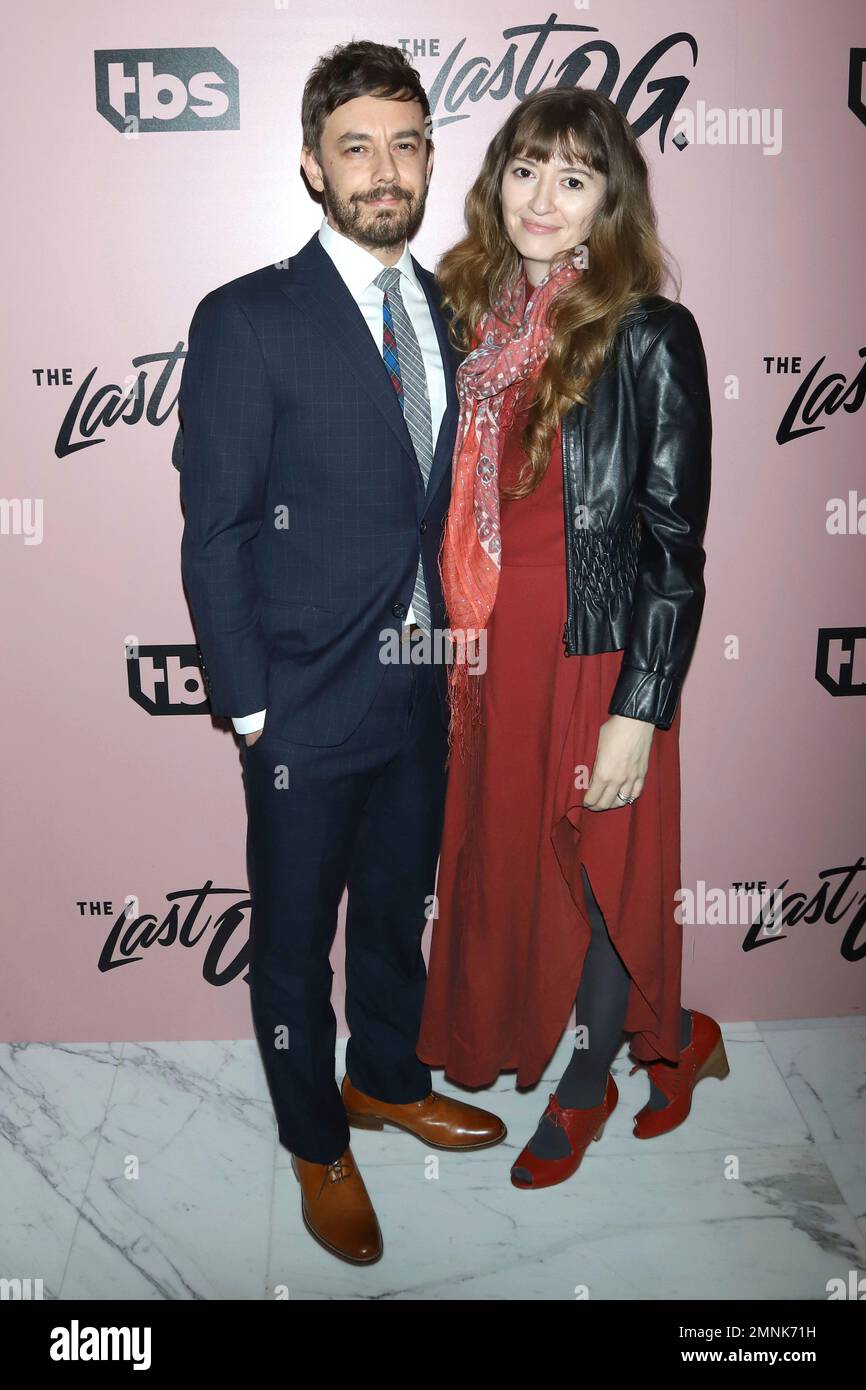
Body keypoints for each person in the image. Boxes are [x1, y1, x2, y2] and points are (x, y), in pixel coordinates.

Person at [178, 41, 505, 1264]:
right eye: (356, 146)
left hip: (421, 698)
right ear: (311, 166)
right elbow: (213, 533)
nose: (385, 169)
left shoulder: (449, 311)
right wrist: (252, 713)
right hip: (301, 710)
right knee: (293, 939)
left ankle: (386, 1076)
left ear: (429, 160)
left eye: (407, 144)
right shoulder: (246, 318)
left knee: (391, 921)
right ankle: (317, 1141)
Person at [416, 85, 728, 1190]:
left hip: (598, 651)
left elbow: (674, 541)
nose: (542, 197)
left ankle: (586, 1084)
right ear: (494, 180)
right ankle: (676, 1036)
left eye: (573, 175)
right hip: (491, 658)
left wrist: (641, 704)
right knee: (522, 869)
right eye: (524, 169)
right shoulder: (469, 321)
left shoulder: (646, 333)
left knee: (603, 873)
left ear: (608, 201)